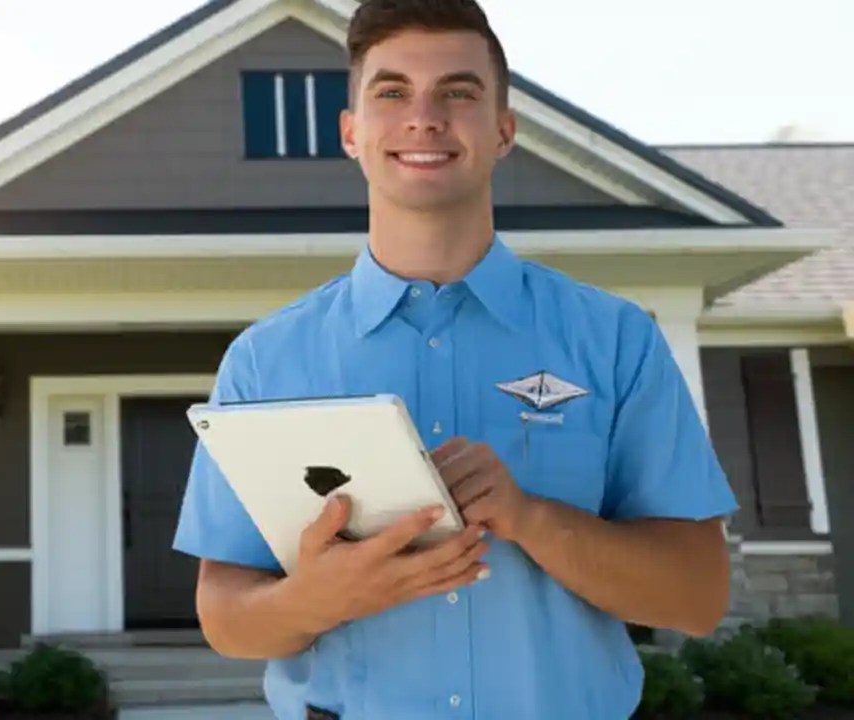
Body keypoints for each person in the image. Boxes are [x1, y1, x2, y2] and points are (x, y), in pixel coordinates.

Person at [171, 0, 738, 717]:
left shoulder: (615, 340)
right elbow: (224, 616)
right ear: (351, 132)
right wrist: (317, 598)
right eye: (391, 92)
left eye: (458, 93)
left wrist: (530, 518)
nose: (424, 117)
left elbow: (696, 597)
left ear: (504, 130)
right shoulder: (265, 362)